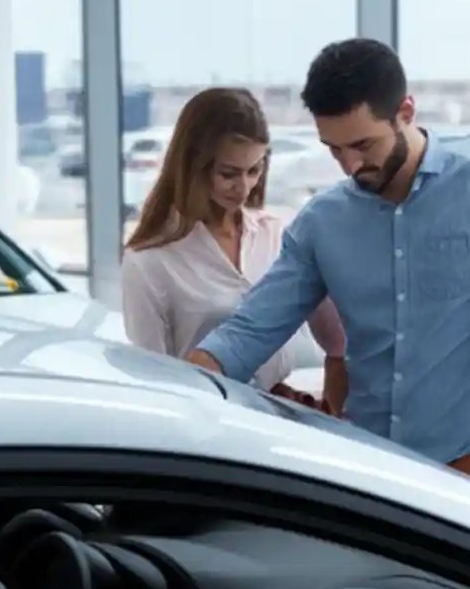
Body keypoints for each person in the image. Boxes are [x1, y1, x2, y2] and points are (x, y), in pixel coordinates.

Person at [186, 39, 470, 492]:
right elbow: (248, 333)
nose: (349, 164)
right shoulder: (321, 223)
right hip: (362, 469)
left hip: (463, 466)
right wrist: (179, 390)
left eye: (362, 145)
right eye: (333, 149)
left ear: (405, 112)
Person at [122, 87, 346, 405]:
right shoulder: (148, 260)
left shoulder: (276, 234)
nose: (243, 187)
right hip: (204, 430)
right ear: (194, 165)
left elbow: (338, 339)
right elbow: (152, 383)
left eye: (254, 171)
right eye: (228, 174)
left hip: (283, 415)